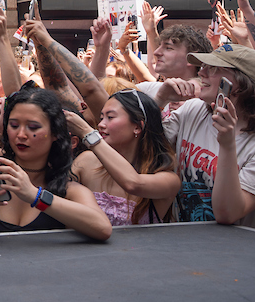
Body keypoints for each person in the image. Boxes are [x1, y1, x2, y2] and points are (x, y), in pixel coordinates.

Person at [150, 44, 255, 231]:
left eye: (214, 69)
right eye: (204, 67)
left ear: (241, 85)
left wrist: (227, 145)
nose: (202, 73)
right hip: (183, 246)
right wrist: (159, 101)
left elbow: (227, 213)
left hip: (240, 255)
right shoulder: (194, 110)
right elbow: (143, 152)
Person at [0, 87, 112, 240]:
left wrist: (35, 196)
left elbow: (103, 228)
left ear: (55, 134)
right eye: (14, 125)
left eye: (33, 127)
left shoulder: (69, 191)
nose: (21, 134)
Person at [65, 90, 179, 225]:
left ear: (137, 126)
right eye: (101, 118)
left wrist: (88, 133)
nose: (101, 124)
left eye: (110, 117)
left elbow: (132, 183)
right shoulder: (86, 162)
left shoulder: (169, 179)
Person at [135, 22, 211, 117]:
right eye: (159, 46)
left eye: (168, 48)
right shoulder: (145, 90)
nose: (156, 52)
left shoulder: (205, 102)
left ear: (192, 58)